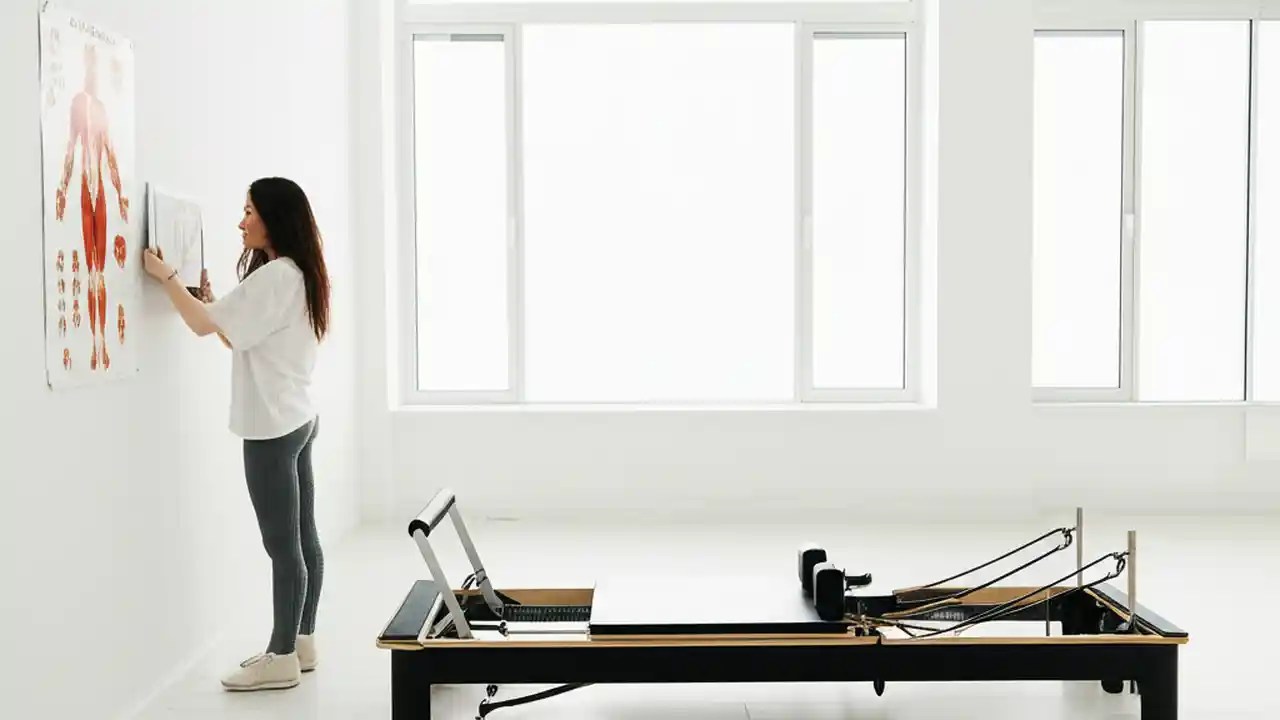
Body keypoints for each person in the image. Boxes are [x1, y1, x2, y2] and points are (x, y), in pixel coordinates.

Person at [143, 177, 331, 692]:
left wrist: (167, 278)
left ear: (274, 217)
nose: (241, 221)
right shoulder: (297, 274)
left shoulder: (274, 277)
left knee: (282, 546)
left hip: (271, 426)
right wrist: (207, 301)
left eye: (249, 211)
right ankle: (303, 640)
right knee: (303, 537)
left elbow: (204, 326)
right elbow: (239, 335)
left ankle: (280, 655)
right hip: (297, 417)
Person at [55, 43, 129, 371]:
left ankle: (101, 343)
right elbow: (71, 148)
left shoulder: (100, 108)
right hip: (87, 195)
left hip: (99, 194)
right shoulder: (77, 104)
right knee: (92, 271)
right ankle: (96, 341)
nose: (93, 73)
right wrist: (61, 188)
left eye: (95, 67)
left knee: (99, 274)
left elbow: (111, 155)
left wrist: (121, 194)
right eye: (90, 66)